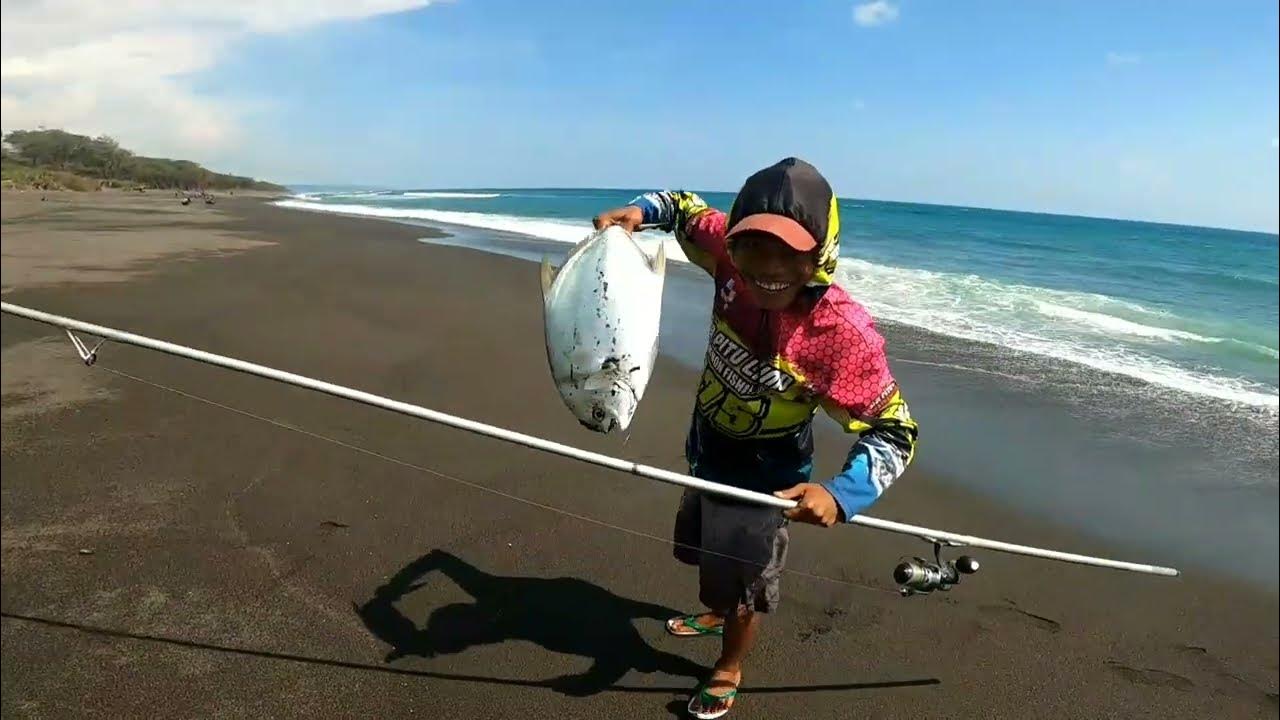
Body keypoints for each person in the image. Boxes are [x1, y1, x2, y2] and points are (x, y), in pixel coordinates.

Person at [592, 157, 919, 719]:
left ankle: (728, 665)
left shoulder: (842, 335)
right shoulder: (725, 255)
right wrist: (642, 212)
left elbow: (896, 429)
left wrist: (842, 495)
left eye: (789, 253)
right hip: (706, 451)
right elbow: (683, 207)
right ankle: (716, 614)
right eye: (753, 249)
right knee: (706, 558)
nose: (767, 268)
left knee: (749, 585)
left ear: (821, 253)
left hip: (769, 482)